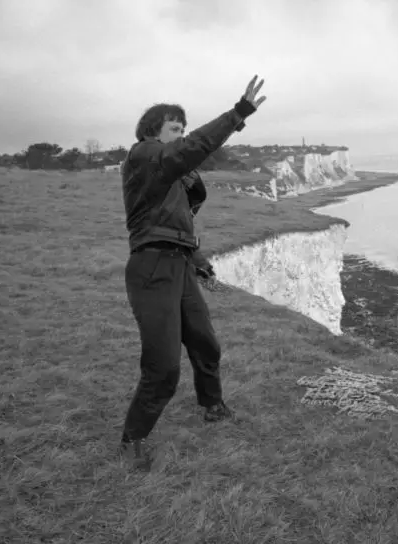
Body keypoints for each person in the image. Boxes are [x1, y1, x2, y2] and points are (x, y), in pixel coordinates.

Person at [118, 75, 267, 471]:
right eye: (174, 128)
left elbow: (178, 227)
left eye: (182, 128)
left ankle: (212, 406)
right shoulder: (143, 156)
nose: (181, 134)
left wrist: (199, 264)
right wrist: (237, 115)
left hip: (179, 265)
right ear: (153, 132)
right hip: (152, 270)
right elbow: (194, 149)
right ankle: (133, 439)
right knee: (164, 365)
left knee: (205, 344)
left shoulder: (172, 179)